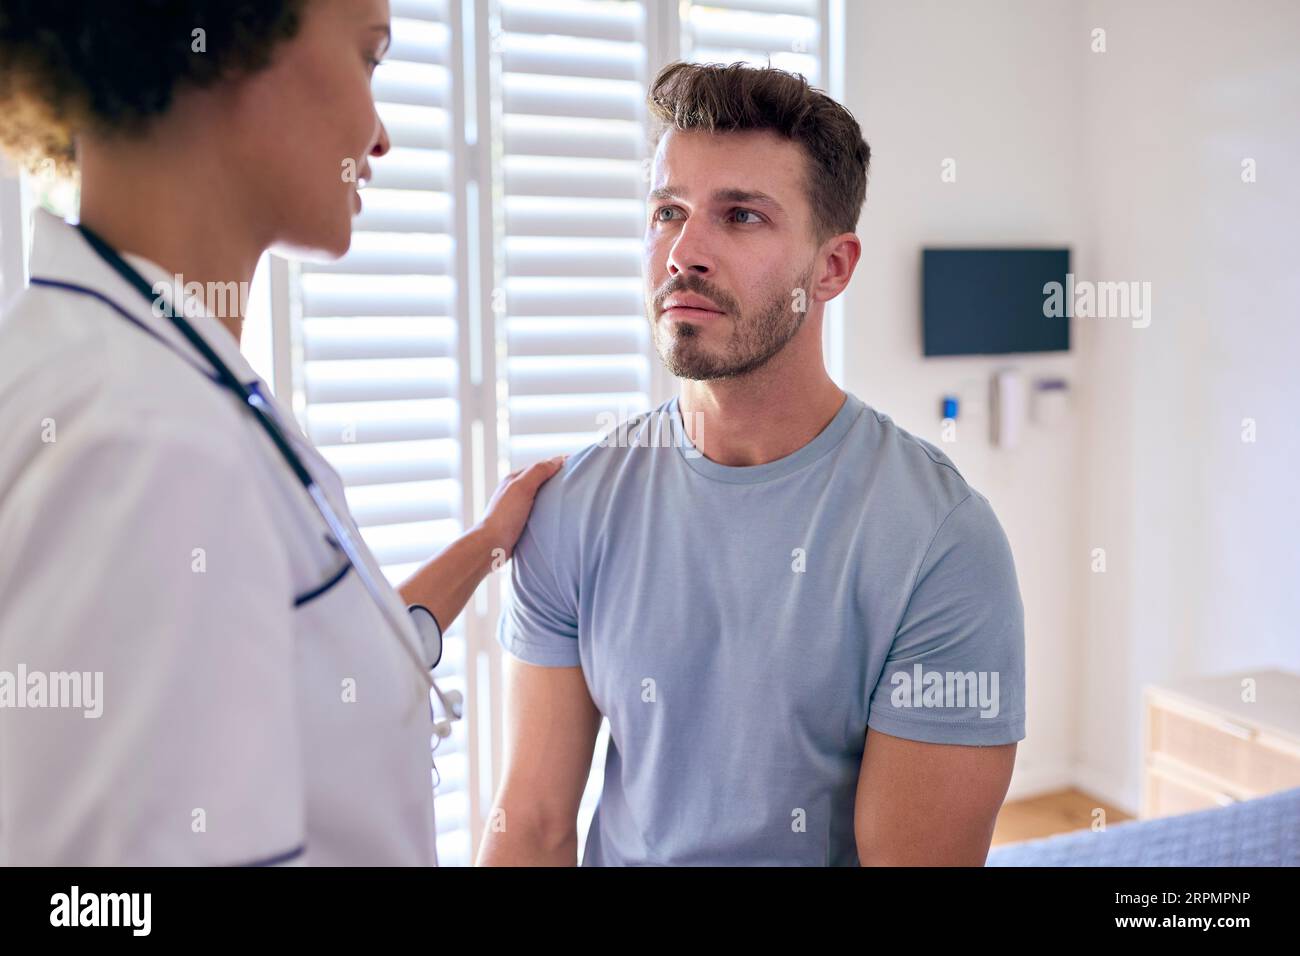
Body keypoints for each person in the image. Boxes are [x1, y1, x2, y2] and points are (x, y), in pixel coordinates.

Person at [0, 0, 560, 865]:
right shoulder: (148, 442)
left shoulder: (145, 375)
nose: (379, 138)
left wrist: (490, 544)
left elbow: (298, 663)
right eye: (368, 58)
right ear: (226, 36)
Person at [480, 62, 1026, 866]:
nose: (684, 252)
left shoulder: (941, 543)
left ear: (832, 269)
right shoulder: (572, 507)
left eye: (740, 216)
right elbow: (528, 825)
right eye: (668, 211)